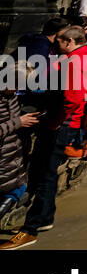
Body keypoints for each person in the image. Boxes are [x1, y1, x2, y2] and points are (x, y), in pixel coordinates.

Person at [1, 26, 87, 250]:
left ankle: (30, 229)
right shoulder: (83, 56)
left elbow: (73, 98)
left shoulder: (73, 62)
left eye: (60, 42)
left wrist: (53, 120)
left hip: (60, 125)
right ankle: (44, 218)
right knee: (49, 174)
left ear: (71, 42)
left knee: (42, 174)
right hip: (66, 124)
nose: (55, 46)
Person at [0, 85, 38, 227]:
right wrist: (18, 122)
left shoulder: (12, 96)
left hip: (13, 154)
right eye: (15, 84)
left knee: (19, 188)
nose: (17, 89)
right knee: (17, 188)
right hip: (4, 155)